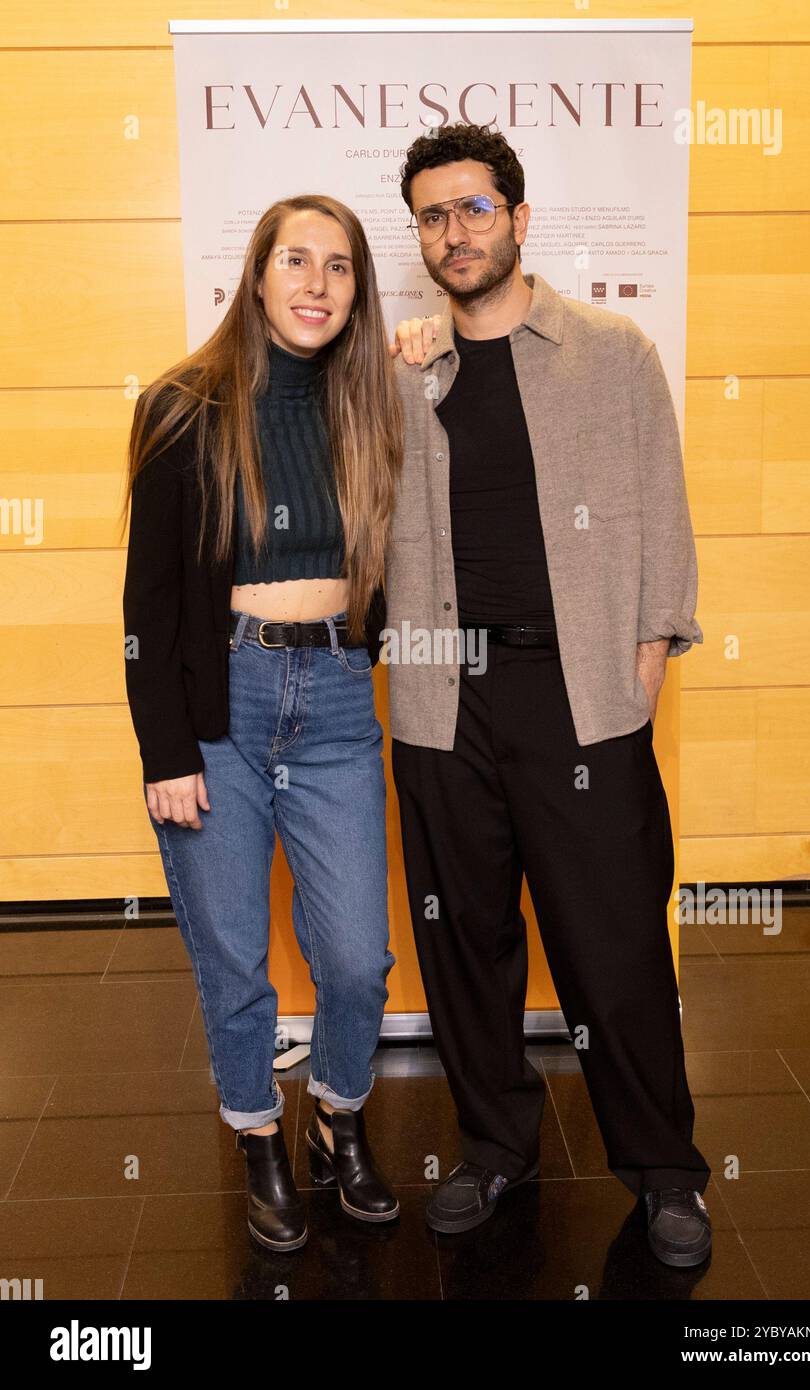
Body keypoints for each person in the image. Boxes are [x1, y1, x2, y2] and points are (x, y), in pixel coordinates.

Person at [384, 122, 713, 1268]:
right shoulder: (403, 370)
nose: (453, 231)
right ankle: (493, 1148)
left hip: (574, 689)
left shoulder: (609, 349)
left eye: (473, 208)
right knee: (465, 940)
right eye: (432, 214)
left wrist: (642, 665)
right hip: (437, 695)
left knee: (613, 942)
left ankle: (663, 1171)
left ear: (518, 220)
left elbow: (661, 515)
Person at [121, 194, 406, 1251]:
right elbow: (147, 607)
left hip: (334, 699)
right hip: (218, 711)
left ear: (356, 291)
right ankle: (258, 1140)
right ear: (256, 273)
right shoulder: (182, 406)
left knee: (355, 962)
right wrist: (164, 751)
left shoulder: (370, 405)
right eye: (296, 260)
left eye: (338, 267)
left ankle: (336, 1117)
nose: (316, 284)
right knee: (236, 961)